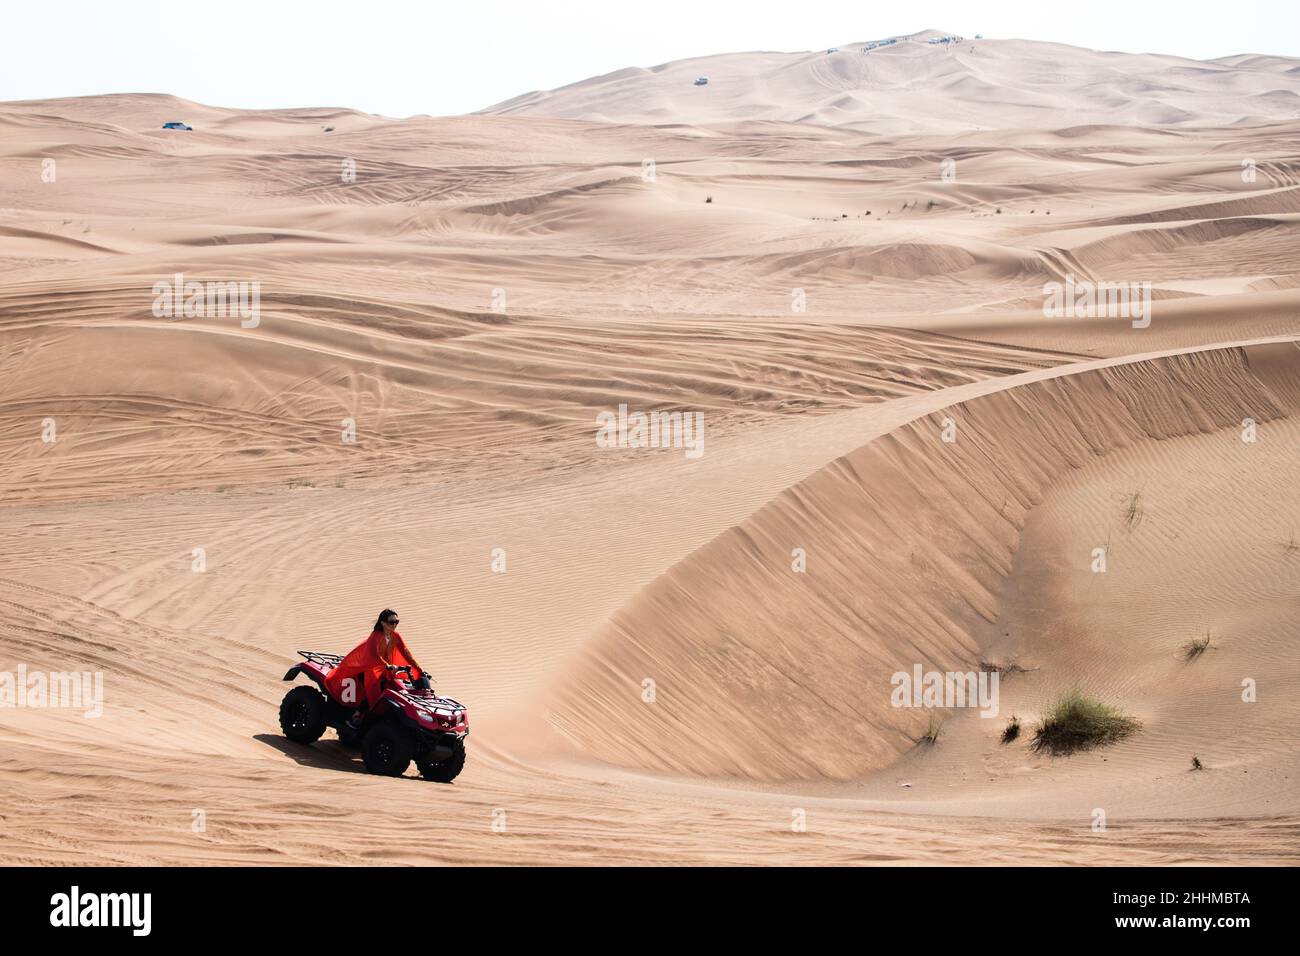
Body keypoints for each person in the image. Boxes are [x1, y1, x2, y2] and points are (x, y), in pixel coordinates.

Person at [325, 610, 425, 724]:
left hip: (383, 668)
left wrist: (418, 668)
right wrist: (388, 666)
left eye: (397, 621)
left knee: (394, 687)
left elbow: (406, 652)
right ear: (382, 623)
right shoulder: (375, 636)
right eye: (391, 622)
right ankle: (356, 716)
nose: (394, 625)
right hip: (367, 667)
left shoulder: (395, 636)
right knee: (373, 691)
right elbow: (373, 655)